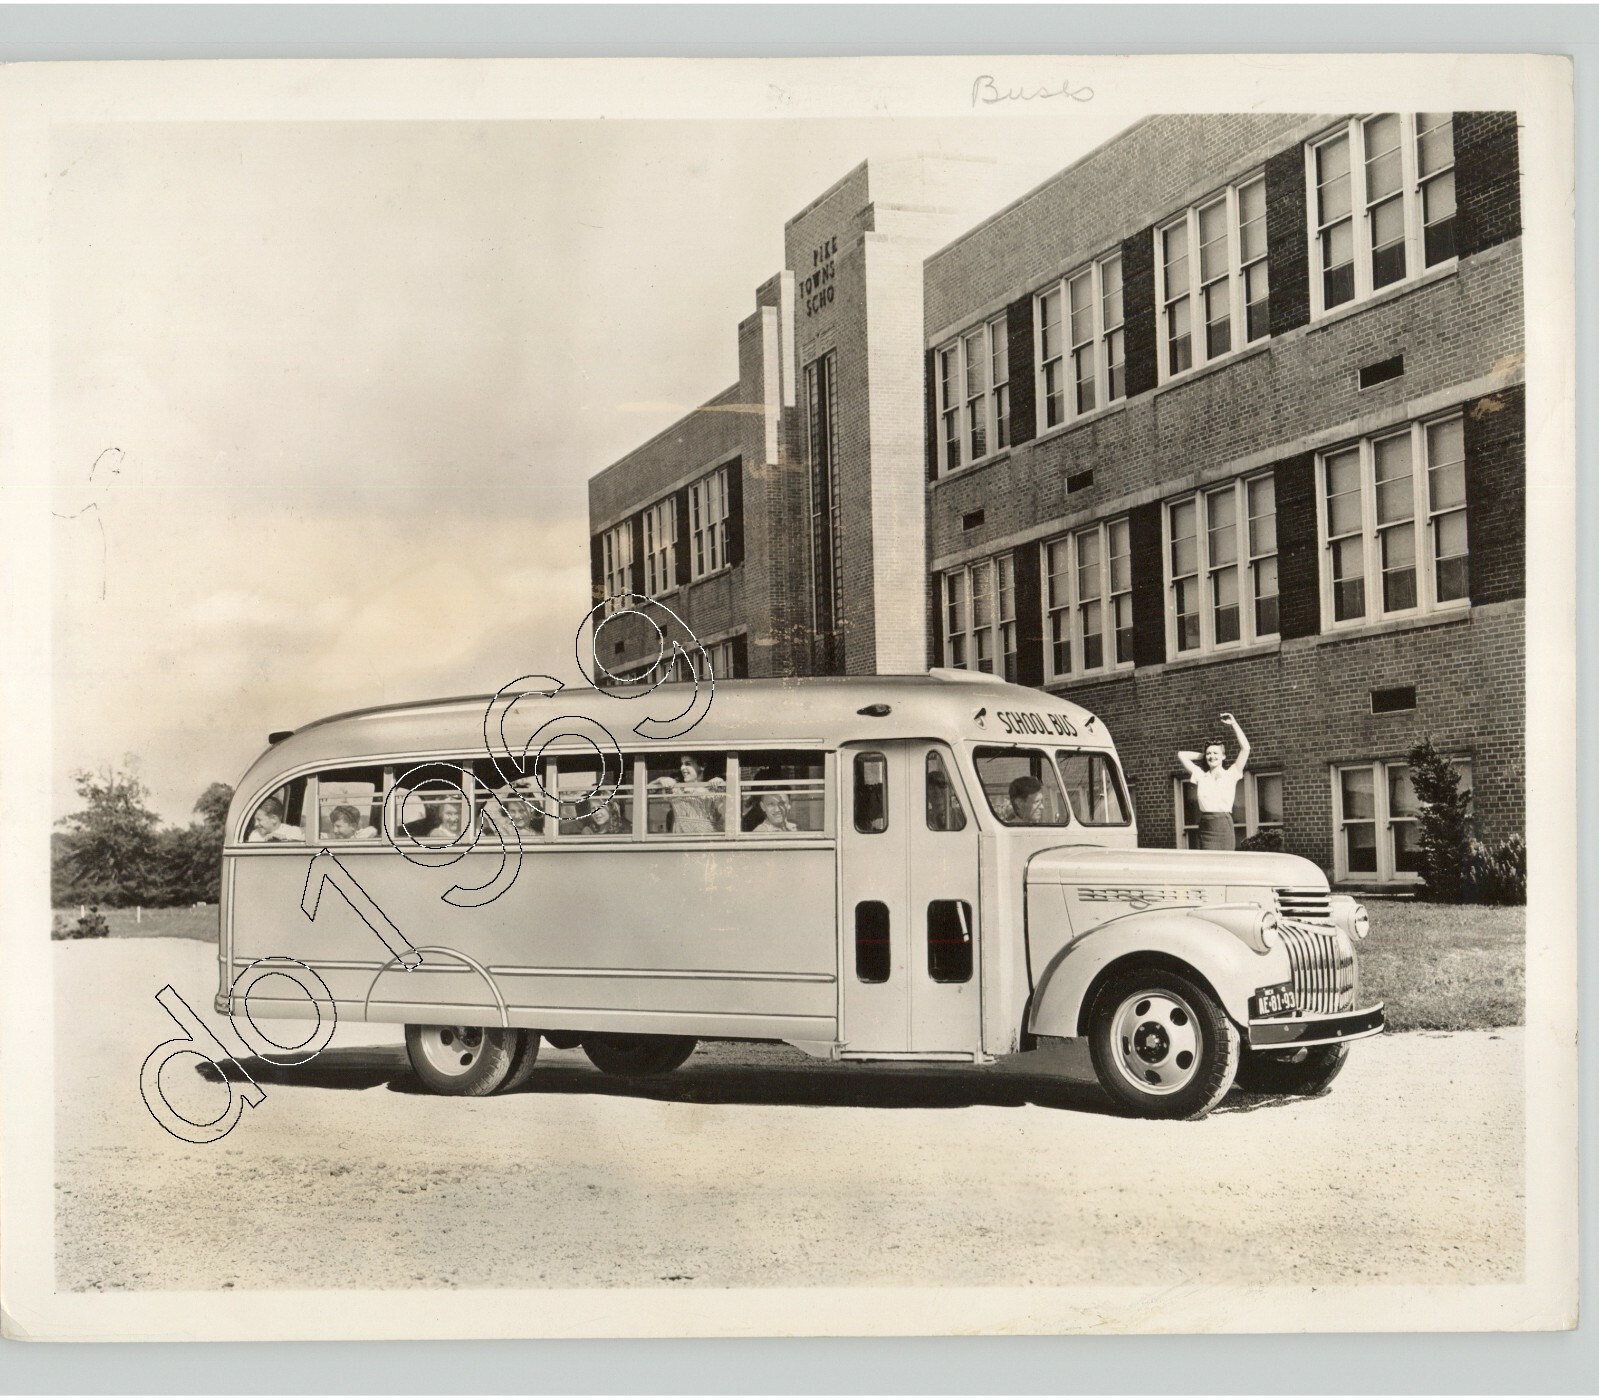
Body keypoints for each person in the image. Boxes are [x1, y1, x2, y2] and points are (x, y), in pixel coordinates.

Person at [1179, 711, 1252, 851]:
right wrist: (1206, 754)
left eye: (1216, 753)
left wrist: (1234, 724)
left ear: (1224, 756)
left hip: (1224, 826)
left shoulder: (1232, 773)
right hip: (1206, 826)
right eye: (1209, 754)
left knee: (1225, 864)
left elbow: (1246, 749)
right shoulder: (1200, 776)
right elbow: (1181, 755)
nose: (1211, 756)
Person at [649, 754, 725, 834]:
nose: (682, 767)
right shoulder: (676, 789)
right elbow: (645, 792)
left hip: (707, 839)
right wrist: (661, 780)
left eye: (688, 764)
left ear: (702, 766)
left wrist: (721, 782)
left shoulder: (712, 789)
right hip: (681, 840)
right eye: (682, 764)